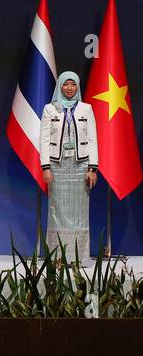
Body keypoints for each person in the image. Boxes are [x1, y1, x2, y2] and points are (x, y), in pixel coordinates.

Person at [40, 71, 98, 261]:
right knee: (57, 210)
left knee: (80, 211)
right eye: (66, 84)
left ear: (77, 87)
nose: (69, 88)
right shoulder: (50, 109)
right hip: (57, 166)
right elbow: (44, 139)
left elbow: (92, 140)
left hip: (81, 166)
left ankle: (79, 258)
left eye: (73, 84)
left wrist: (93, 168)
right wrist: (45, 167)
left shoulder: (86, 109)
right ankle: (58, 257)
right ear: (60, 86)